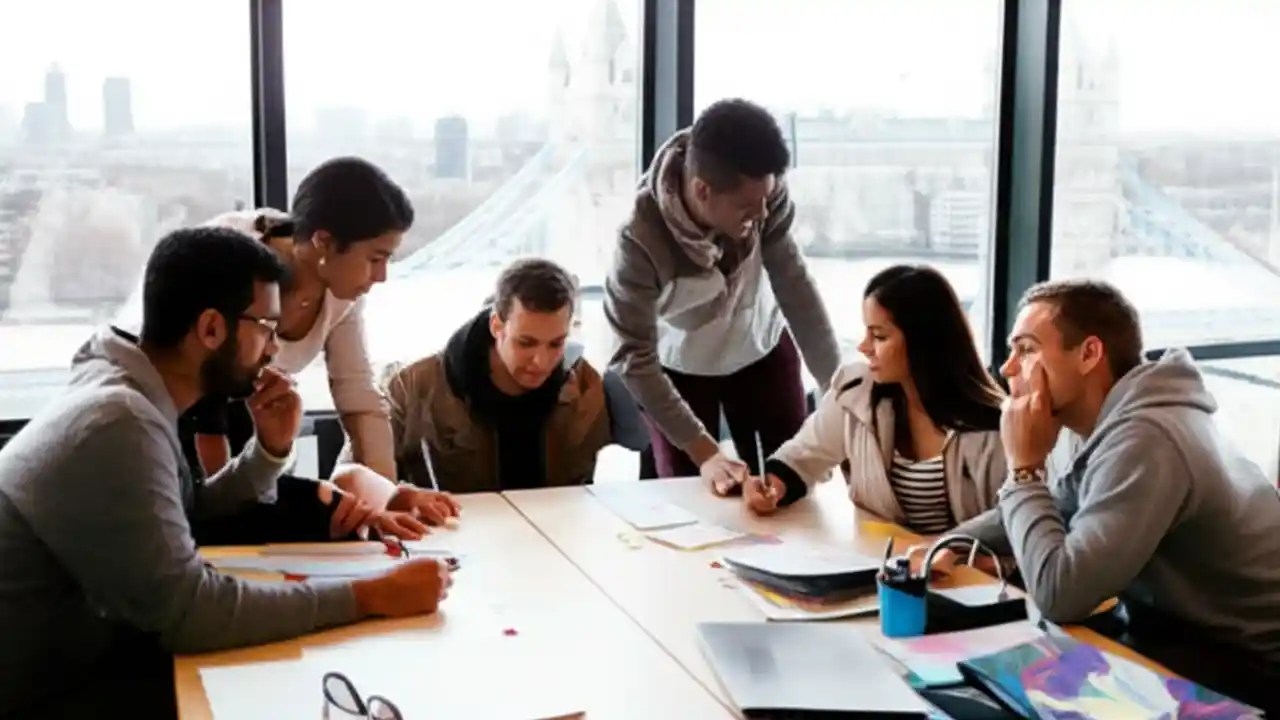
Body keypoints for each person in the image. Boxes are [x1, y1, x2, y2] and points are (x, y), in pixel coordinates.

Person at [0, 227, 452, 717]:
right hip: (44, 690)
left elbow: (186, 512)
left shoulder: (122, 384)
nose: (273, 349)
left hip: (77, 656)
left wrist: (269, 450)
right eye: (266, 327)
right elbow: (190, 614)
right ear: (212, 329)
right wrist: (372, 595)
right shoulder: (119, 422)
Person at [963, 279, 1280, 710]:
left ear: (1090, 354)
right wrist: (948, 544)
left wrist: (1023, 469)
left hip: (1246, 668)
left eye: (1027, 348)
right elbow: (1059, 503)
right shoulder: (1116, 420)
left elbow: (1063, 596)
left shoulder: (1146, 438)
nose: (1007, 368)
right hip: (1178, 639)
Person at [127, 157, 459, 541]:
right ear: (324, 242)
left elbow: (359, 397)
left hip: (249, 436)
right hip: (177, 423)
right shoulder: (232, 258)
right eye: (375, 258)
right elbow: (193, 395)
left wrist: (387, 502)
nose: (382, 276)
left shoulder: (342, 292)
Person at [606, 98, 840, 495]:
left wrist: (839, 395)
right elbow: (633, 355)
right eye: (748, 207)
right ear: (702, 191)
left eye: (768, 198)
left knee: (794, 481)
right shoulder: (639, 240)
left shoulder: (762, 194)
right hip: (679, 366)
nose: (763, 213)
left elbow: (794, 286)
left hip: (760, 343)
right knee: (689, 494)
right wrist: (705, 451)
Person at [744, 265, 1007, 540]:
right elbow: (801, 457)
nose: (864, 347)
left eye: (879, 336)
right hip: (874, 565)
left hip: (959, 576)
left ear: (924, 341)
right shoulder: (856, 393)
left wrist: (941, 555)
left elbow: (1009, 531)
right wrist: (772, 486)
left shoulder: (995, 431)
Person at [383, 258, 647, 493]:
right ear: (497, 325)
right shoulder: (412, 387)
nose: (541, 362)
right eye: (526, 342)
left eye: (556, 344)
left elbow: (585, 490)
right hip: (451, 539)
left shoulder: (585, 386)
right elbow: (360, 481)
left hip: (553, 538)